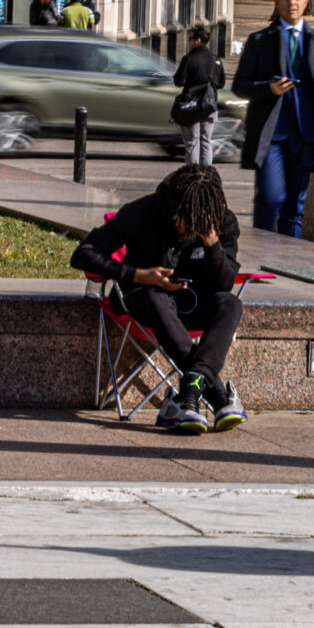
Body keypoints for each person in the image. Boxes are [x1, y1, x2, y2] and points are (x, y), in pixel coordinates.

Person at [70, 164, 246, 434]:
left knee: (230, 304)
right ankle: (218, 396)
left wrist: (212, 246)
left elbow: (224, 285)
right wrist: (139, 275)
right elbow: (83, 253)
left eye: (198, 222)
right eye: (185, 220)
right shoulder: (142, 212)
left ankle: (189, 390)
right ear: (173, 207)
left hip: (194, 304)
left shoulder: (220, 222)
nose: (190, 229)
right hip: (142, 301)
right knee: (156, 299)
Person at [232, 0, 314, 238]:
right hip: (272, 137)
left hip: (306, 137)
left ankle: (288, 263)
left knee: (294, 209)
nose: (292, 2)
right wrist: (268, 88)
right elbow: (240, 85)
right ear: (276, 1)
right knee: (270, 197)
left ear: (307, 1)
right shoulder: (259, 40)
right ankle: (263, 260)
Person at [173, 25, 225, 164]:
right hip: (209, 105)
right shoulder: (215, 59)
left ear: (197, 40)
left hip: (192, 106)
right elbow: (221, 83)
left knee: (192, 143)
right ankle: (206, 177)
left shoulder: (188, 59)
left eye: (190, 38)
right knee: (206, 142)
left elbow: (179, 81)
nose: (188, 42)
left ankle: (193, 176)